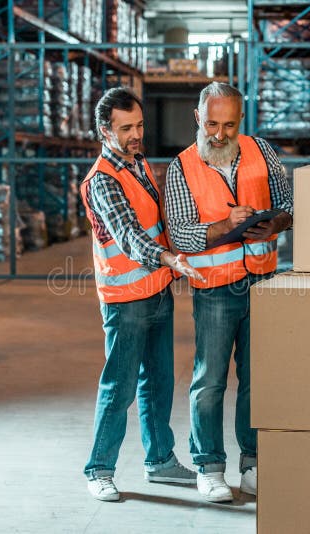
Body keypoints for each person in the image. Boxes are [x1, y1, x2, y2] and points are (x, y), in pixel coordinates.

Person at [164, 82, 294, 502]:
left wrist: (274, 223)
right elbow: (181, 233)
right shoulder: (181, 167)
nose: (220, 133)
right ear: (197, 118)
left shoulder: (262, 151)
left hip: (262, 279)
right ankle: (209, 467)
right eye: (212, 123)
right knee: (210, 381)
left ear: (242, 120)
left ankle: (252, 463)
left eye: (230, 124)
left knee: (257, 381)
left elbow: (288, 205)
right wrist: (224, 226)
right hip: (215, 290)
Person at [80, 87, 204, 502]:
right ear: (104, 130)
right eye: (127, 128)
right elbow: (131, 238)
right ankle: (99, 469)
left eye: (139, 125)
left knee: (159, 381)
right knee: (120, 386)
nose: (137, 134)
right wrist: (171, 258)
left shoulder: (137, 163)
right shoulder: (103, 179)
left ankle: (160, 461)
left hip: (157, 292)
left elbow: (156, 220)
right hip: (126, 300)